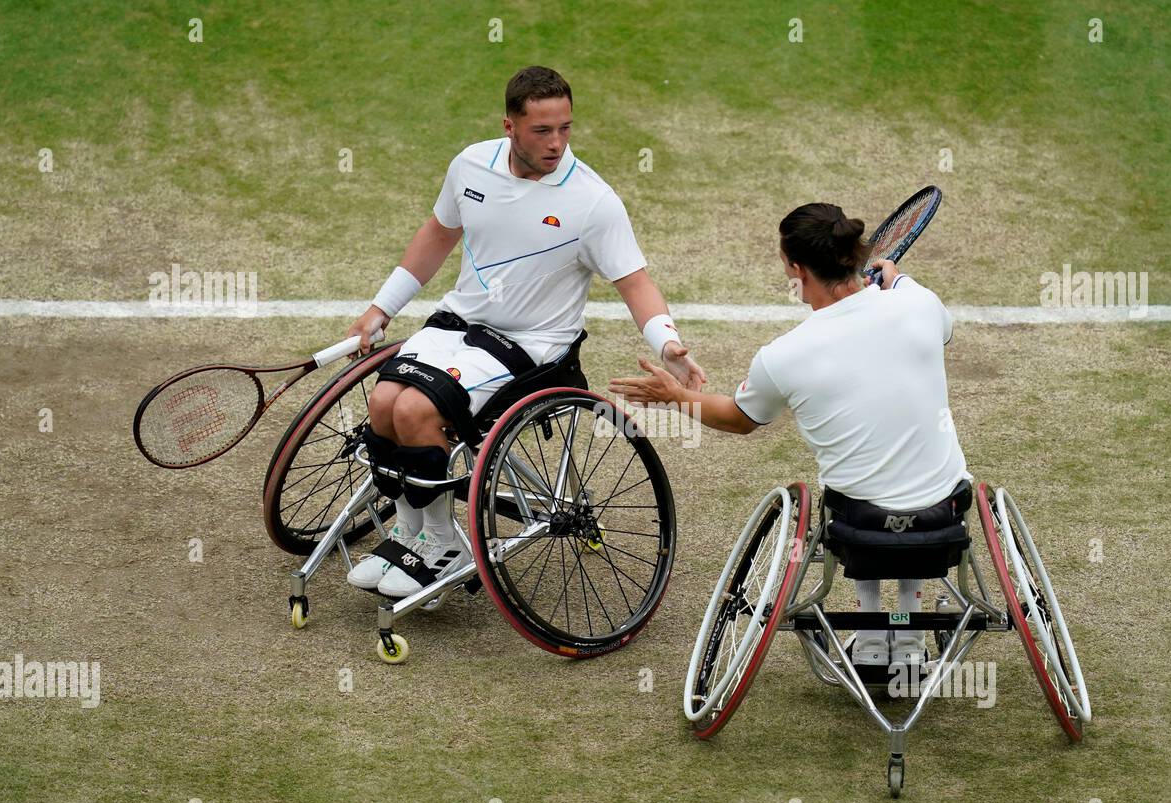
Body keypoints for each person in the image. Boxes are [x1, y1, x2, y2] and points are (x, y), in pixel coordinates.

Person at [344, 65, 706, 598]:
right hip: (458, 326)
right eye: (542, 130)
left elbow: (635, 283)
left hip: (532, 349)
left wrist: (667, 343)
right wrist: (381, 307)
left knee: (415, 411)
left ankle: (444, 542)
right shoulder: (471, 164)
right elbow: (439, 234)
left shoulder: (593, 201)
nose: (557, 143)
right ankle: (412, 531)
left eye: (565, 128)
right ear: (509, 126)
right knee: (383, 404)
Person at [609, 202, 969, 687]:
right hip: (945, 515)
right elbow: (936, 331)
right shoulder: (918, 302)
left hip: (858, 526)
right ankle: (906, 640)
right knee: (899, 486)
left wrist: (676, 396)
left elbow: (738, 420)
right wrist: (899, 284)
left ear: (797, 269)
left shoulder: (783, 356)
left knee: (855, 493)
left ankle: (869, 636)